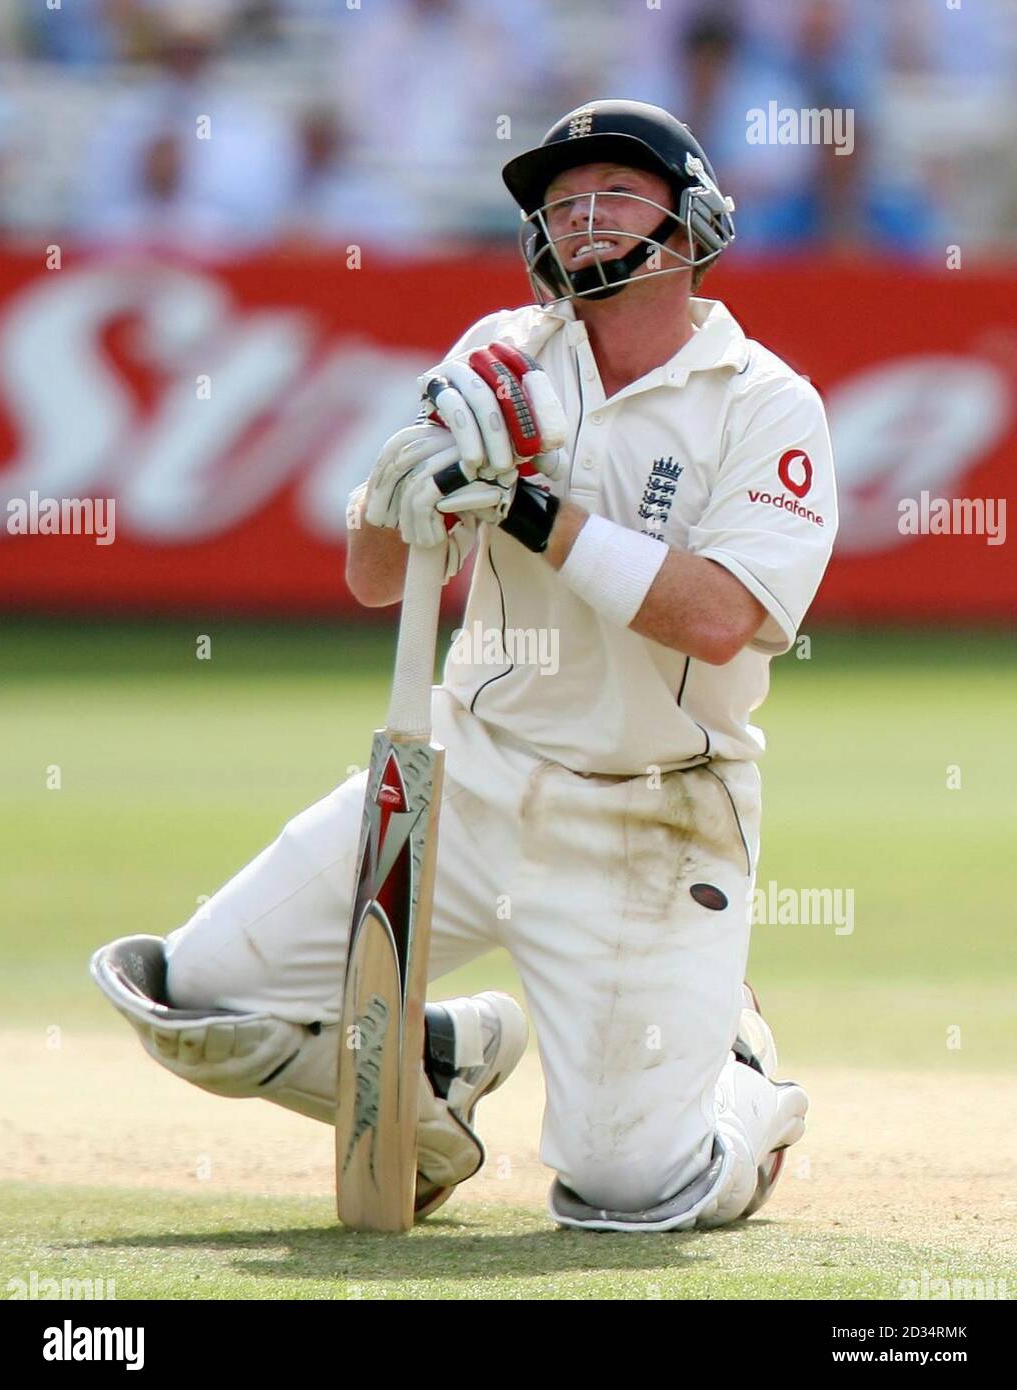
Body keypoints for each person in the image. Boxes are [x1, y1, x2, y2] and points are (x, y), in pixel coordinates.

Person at [92, 99, 837, 1232]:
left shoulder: (767, 403)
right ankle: (437, 1068)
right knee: (191, 1000)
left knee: (627, 1195)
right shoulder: (500, 355)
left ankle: (737, 1083)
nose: (581, 213)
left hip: (653, 814)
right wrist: (396, 496)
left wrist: (538, 515)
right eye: (559, 194)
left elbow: (719, 617)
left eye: (615, 189)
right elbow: (375, 578)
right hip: (470, 773)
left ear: (692, 219)